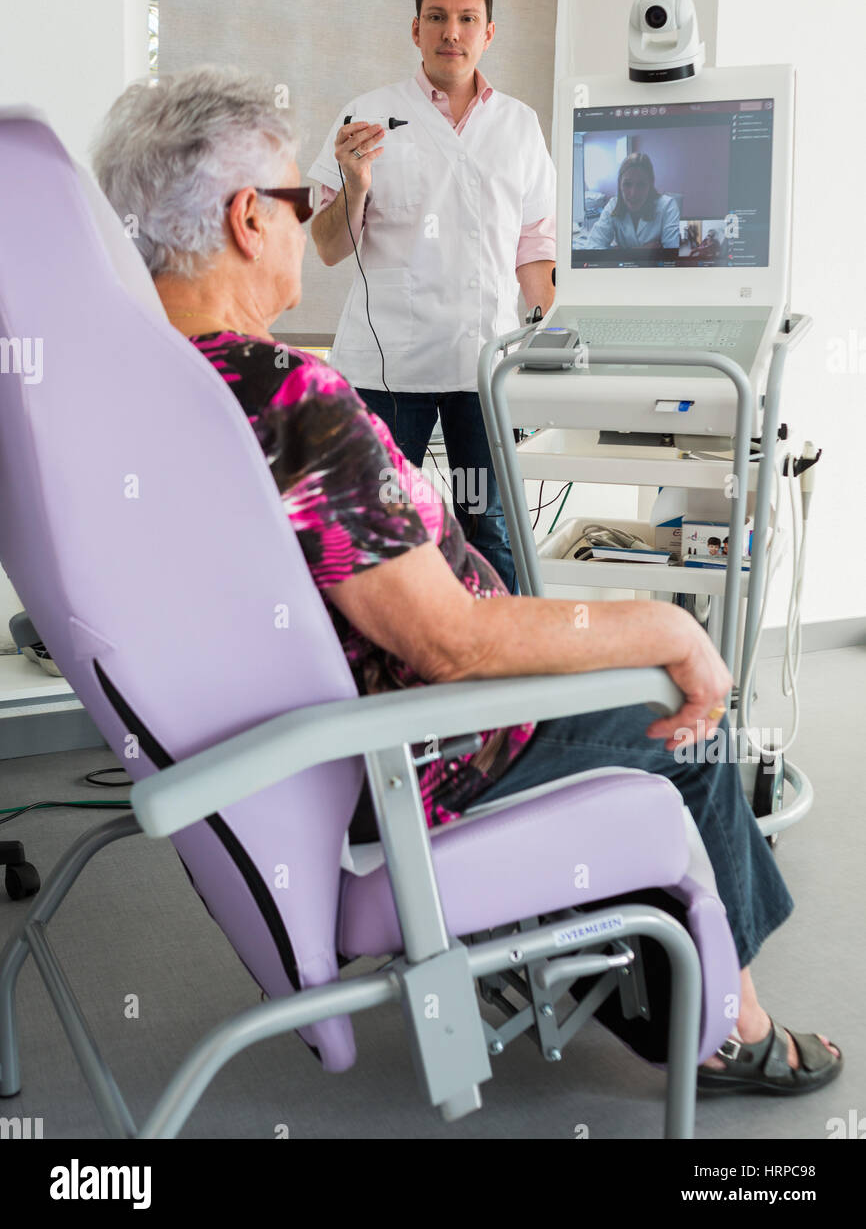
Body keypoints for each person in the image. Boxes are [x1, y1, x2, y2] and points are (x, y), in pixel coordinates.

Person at [91, 65, 841, 1097]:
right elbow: (448, 643)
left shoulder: (154, 385)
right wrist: (666, 624)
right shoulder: (290, 396)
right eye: (299, 201)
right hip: (437, 753)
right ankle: (728, 1027)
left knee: (629, 685)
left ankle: (641, 963)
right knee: (687, 723)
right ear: (245, 219)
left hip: (351, 756)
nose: (310, 219)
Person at [307, 0, 557, 594]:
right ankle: (383, 673)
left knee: (490, 528)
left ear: (489, 32)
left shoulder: (519, 125)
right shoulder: (368, 116)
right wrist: (355, 185)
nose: (453, 32)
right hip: (390, 362)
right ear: (415, 30)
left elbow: (534, 248)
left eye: (467, 19)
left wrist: (556, 345)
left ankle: (505, 667)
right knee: (380, 529)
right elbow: (329, 247)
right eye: (438, 18)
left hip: (483, 362)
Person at [585, 152, 680, 251]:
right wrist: (641, 250)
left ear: (650, 185)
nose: (633, 193)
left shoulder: (668, 206)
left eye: (641, 184)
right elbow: (593, 247)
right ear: (620, 184)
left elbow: (673, 254)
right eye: (627, 184)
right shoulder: (613, 205)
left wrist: (618, 251)